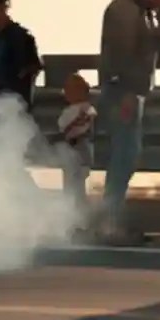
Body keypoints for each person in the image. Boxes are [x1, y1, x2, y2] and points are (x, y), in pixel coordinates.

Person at [97, 0, 160, 245]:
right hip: (122, 92)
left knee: (127, 157)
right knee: (123, 158)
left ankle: (111, 221)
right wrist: (126, 92)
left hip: (135, 93)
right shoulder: (123, 10)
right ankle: (109, 223)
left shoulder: (151, 16)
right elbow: (119, 55)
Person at [51, 72, 96, 225]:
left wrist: (65, 136)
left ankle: (77, 219)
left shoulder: (84, 110)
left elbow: (72, 129)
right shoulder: (84, 109)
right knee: (73, 185)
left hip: (78, 150)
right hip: (75, 151)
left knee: (75, 187)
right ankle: (74, 218)